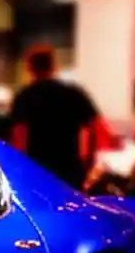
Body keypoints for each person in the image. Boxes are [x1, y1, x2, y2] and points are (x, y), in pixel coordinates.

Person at [9, 46, 110, 189]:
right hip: (70, 170)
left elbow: (19, 137)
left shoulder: (25, 97)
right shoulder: (74, 93)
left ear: (29, 68)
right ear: (53, 66)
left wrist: (18, 169)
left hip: (38, 171)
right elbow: (98, 128)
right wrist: (89, 161)